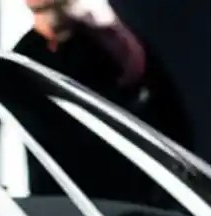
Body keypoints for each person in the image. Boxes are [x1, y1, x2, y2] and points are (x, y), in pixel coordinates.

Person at [12, 0, 193, 152]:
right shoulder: (26, 53)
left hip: (117, 184)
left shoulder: (108, 47)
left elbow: (171, 127)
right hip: (54, 187)